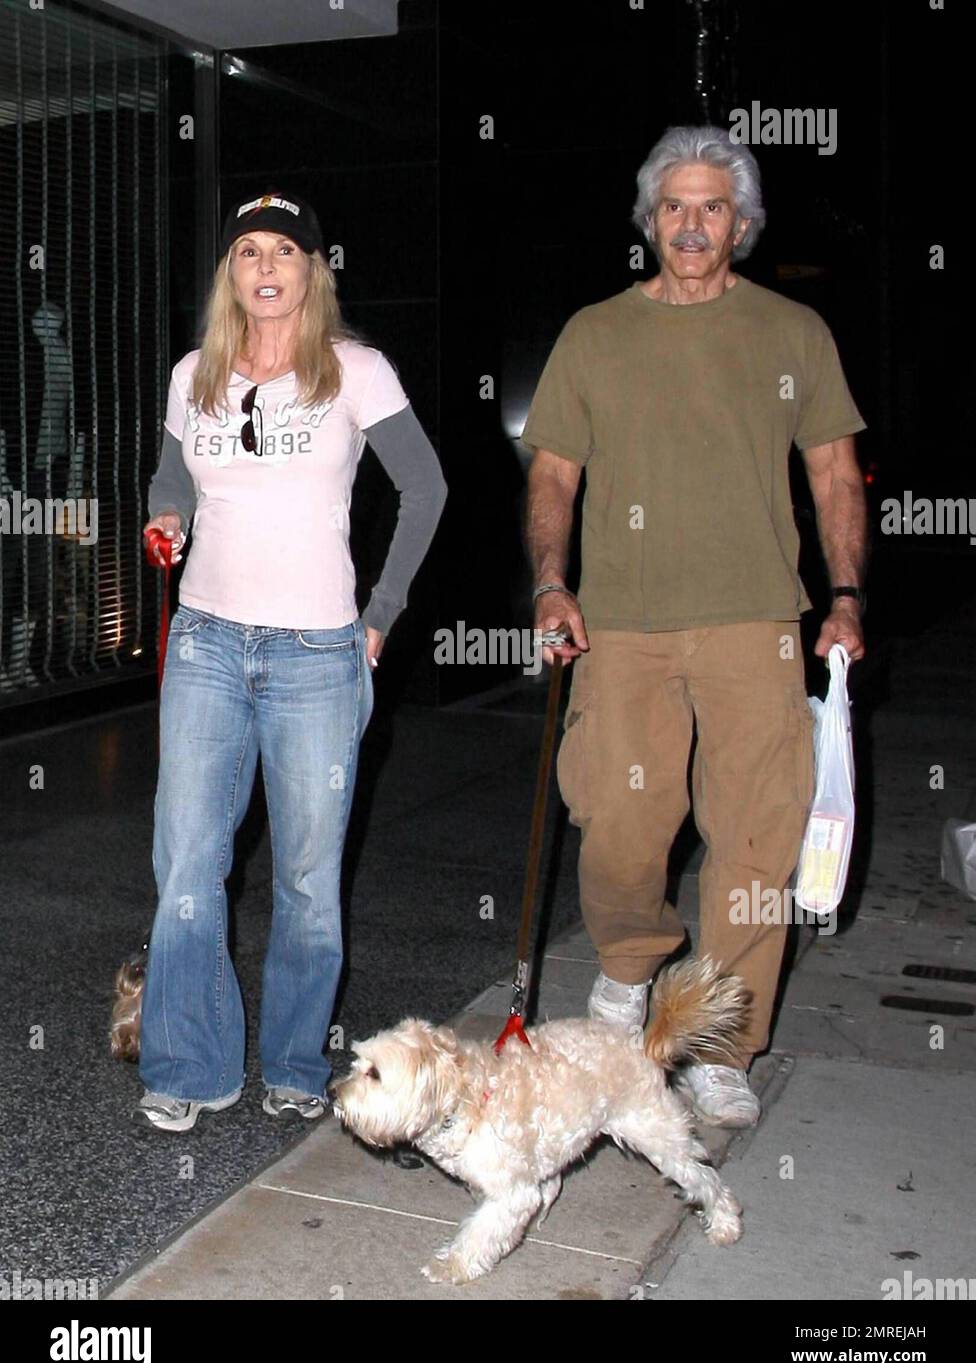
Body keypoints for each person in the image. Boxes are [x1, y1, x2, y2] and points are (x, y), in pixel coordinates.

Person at [522, 126, 867, 1128]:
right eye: (673, 205)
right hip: (622, 624)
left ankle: (719, 1039)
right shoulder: (594, 332)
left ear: (742, 223)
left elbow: (834, 472)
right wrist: (552, 581)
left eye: (712, 206)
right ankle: (630, 966)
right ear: (648, 219)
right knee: (620, 820)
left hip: (758, 620)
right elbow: (553, 473)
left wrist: (843, 600)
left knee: (757, 838)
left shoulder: (792, 331)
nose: (690, 222)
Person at [135, 190, 447, 1132]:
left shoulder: (357, 372)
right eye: (247, 253)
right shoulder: (198, 372)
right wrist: (168, 514)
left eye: (284, 251)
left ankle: (297, 1062)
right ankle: (190, 1065)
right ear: (230, 273)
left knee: (309, 876)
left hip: (320, 653)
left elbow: (426, 489)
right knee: (188, 861)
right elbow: (170, 475)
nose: (264, 267)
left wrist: (380, 616)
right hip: (205, 645)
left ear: (314, 269)